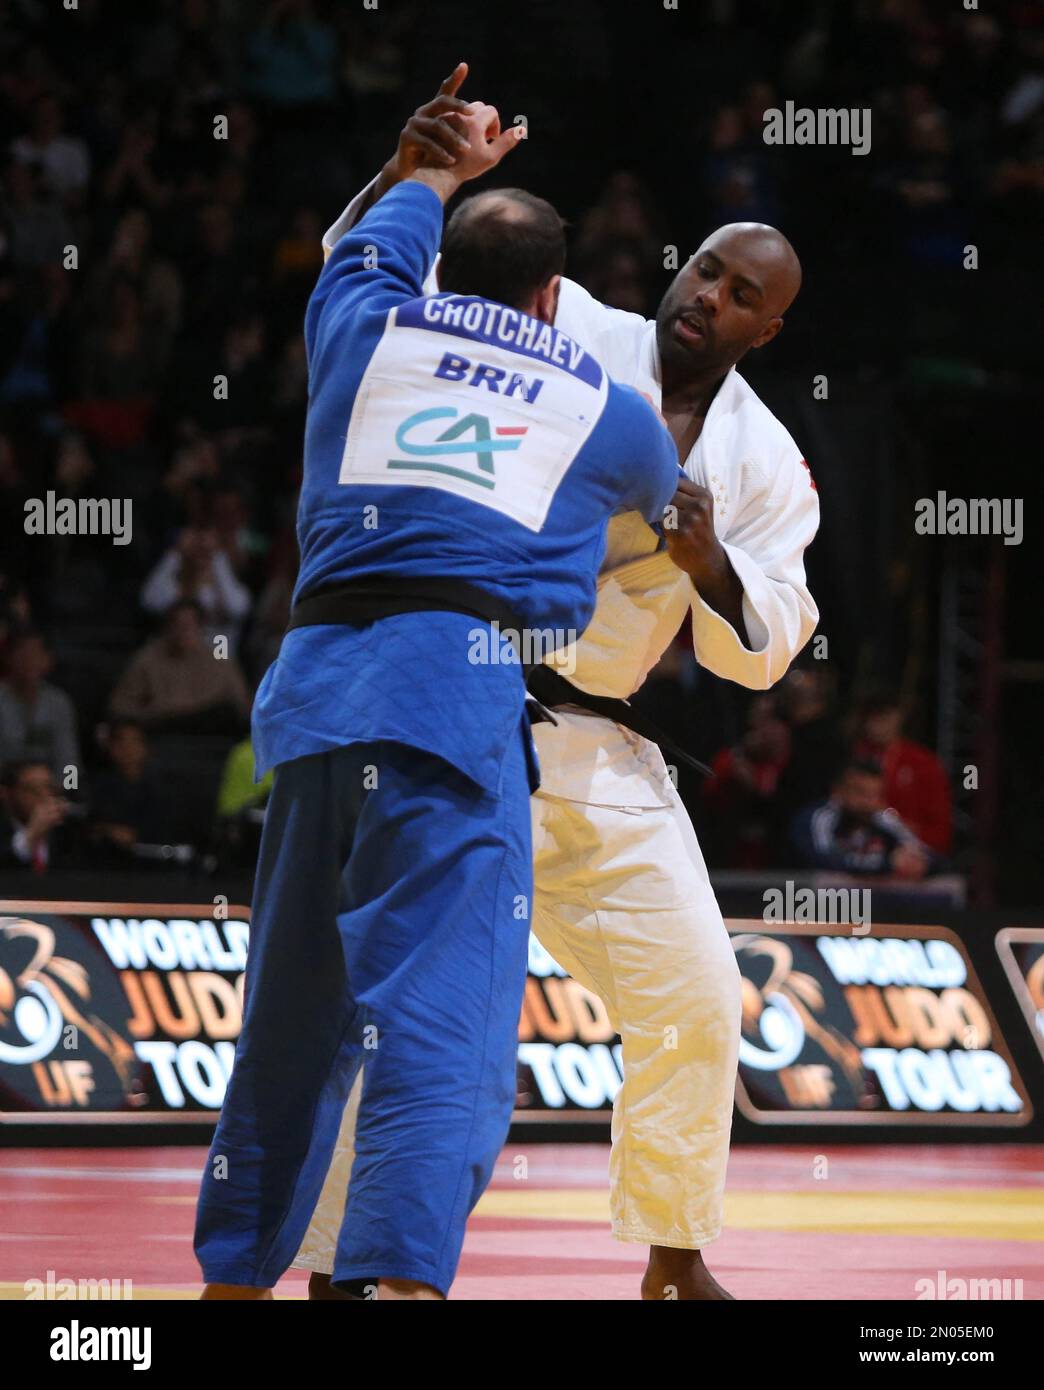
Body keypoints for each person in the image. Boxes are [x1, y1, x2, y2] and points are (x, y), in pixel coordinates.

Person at [299, 64, 820, 1302]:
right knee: (393, 1003)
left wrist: (708, 562)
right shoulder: (561, 318)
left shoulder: (770, 461)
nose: (712, 300)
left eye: (744, 297)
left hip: (600, 751)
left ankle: (675, 1254)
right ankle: (333, 1262)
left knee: (697, 993)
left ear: (769, 328)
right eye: (707, 273)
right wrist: (411, 171)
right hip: (463, 709)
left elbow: (774, 638)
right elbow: (365, 276)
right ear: (682, 267)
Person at [193, 97, 680, 1302]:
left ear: (442, 266)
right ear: (554, 298)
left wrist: (429, 167)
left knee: (290, 1022)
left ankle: (228, 1284)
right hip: (453, 712)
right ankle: (402, 1286)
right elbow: (663, 490)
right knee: (437, 1028)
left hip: (315, 703)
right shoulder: (607, 414)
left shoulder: (361, 323)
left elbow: (365, 241)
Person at [108, 598, 251, 733]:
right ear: (167, 627)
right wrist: (153, 712)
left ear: (201, 628)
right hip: (163, 735)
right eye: (177, 625)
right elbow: (119, 707)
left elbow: (242, 705)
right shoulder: (146, 659)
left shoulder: (220, 659)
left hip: (210, 738)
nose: (183, 631)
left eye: (189, 625)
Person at [790, 759, 933, 879]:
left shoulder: (882, 818)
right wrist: (885, 865)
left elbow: (930, 856)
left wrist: (917, 864)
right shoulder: (819, 818)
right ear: (837, 791)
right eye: (860, 793)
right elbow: (821, 860)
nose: (868, 803)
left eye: (875, 795)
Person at [853, 692, 952, 853]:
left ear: (899, 716)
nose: (878, 723)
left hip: (910, 855)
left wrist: (896, 825)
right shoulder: (852, 759)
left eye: (885, 715)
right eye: (872, 716)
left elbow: (940, 833)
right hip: (856, 853)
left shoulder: (923, 763)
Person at [0, 630, 81, 782]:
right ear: (8, 658)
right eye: (22, 654)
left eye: (35, 654)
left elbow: (69, 761)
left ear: (48, 660)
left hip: (50, 789)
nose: (29, 661)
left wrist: (69, 790)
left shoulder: (59, 702)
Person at [0, 758, 74, 872]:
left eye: (48, 788)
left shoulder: (67, 833)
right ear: (6, 794)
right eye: (32, 790)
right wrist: (31, 835)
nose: (44, 797)